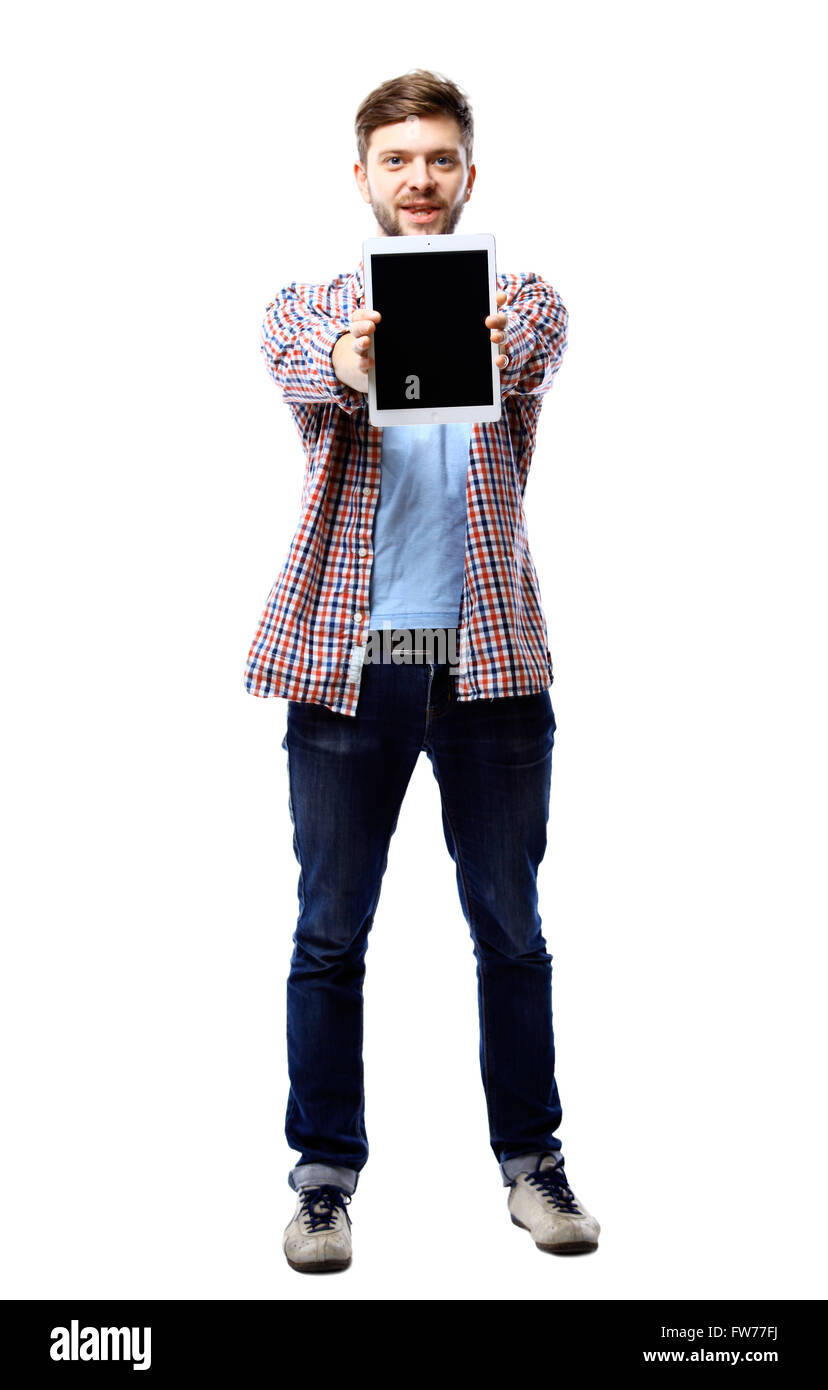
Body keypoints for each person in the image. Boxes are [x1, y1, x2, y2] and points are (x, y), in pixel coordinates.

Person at [244, 68, 600, 1272]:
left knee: (512, 929)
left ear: (469, 173)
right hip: (356, 660)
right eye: (398, 159)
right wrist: (357, 358)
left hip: (489, 659)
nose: (420, 179)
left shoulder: (526, 302)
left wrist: (480, 334)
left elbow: (536, 350)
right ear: (363, 176)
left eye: (440, 158)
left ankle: (532, 1164)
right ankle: (324, 1180)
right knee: (330, 931)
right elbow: (309, 363)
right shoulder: (311, 304)